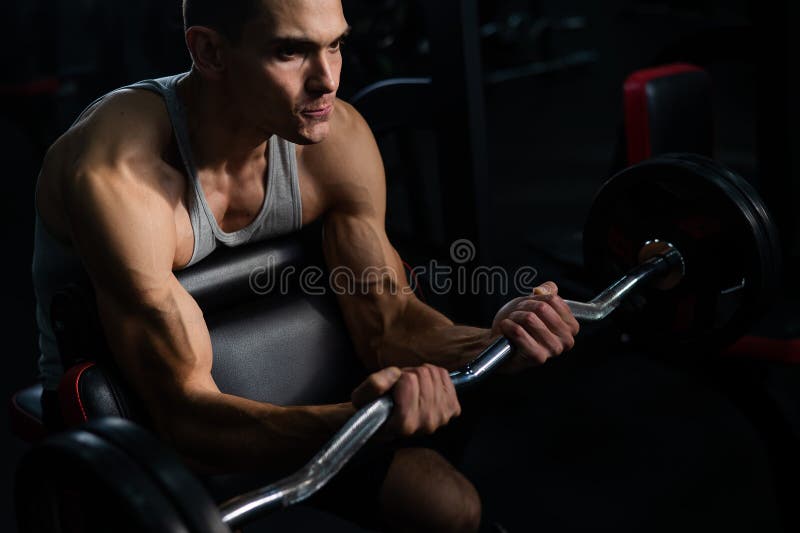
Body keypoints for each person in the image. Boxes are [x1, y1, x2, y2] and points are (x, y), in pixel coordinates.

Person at [32, 0, 579, 531]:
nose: (328, 80)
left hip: (296, 385)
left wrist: (497, 342)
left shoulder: (334, 139)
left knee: (452, 507)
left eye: (336, 44)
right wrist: (360, 422)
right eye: (291, 51)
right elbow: (186, 420)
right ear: (211, 53)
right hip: (144, 429)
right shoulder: (121, 175)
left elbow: (389, 324)